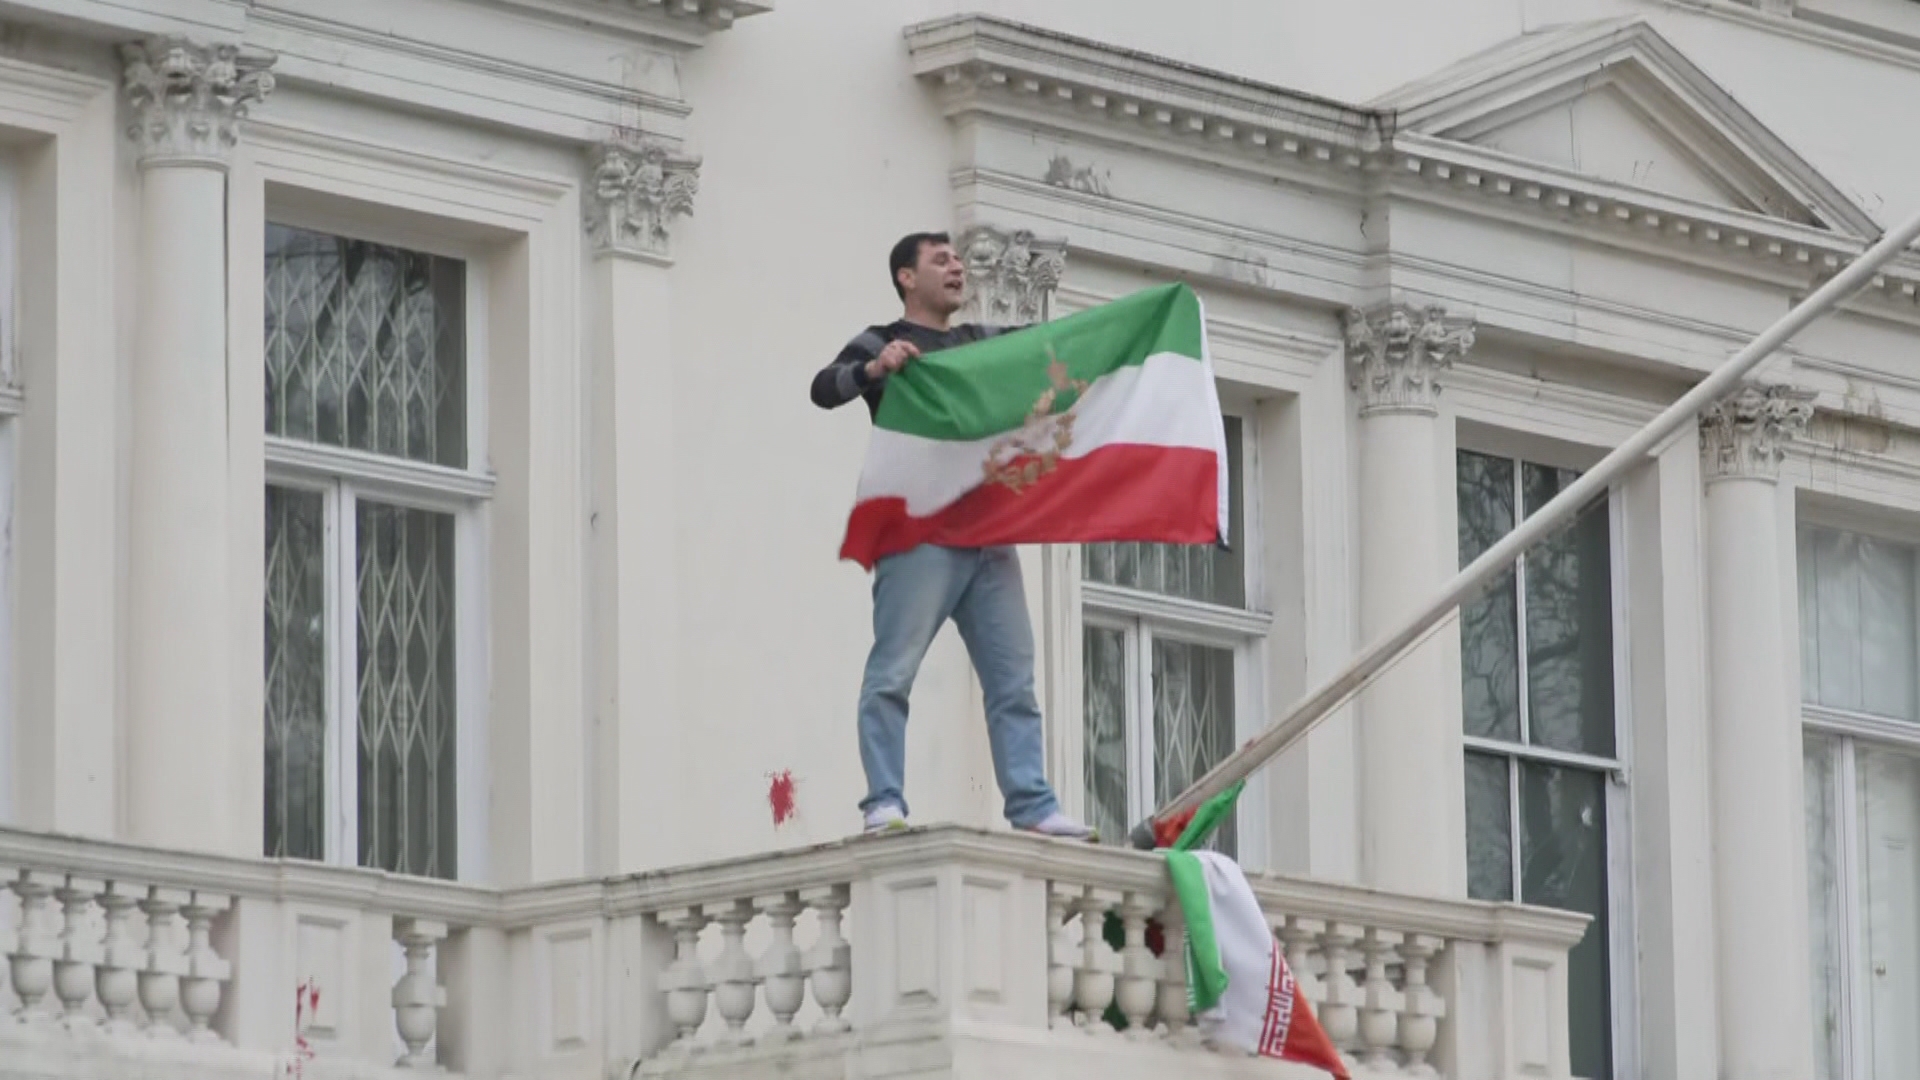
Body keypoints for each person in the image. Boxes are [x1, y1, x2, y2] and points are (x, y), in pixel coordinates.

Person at [812, 231, 1096, 840]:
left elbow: (1048, 347)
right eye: (940, 260)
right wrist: (874, 369)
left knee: (1013, 679)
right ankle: (883, 802)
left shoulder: (979, 341)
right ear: (905, 277)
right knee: (893, 673)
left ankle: (1032, 805)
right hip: (920, 533)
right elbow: (823, 388)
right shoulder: (882, 340)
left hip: (988, 531)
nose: (957, 267)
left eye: (958, 259)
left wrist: (1119, 328)